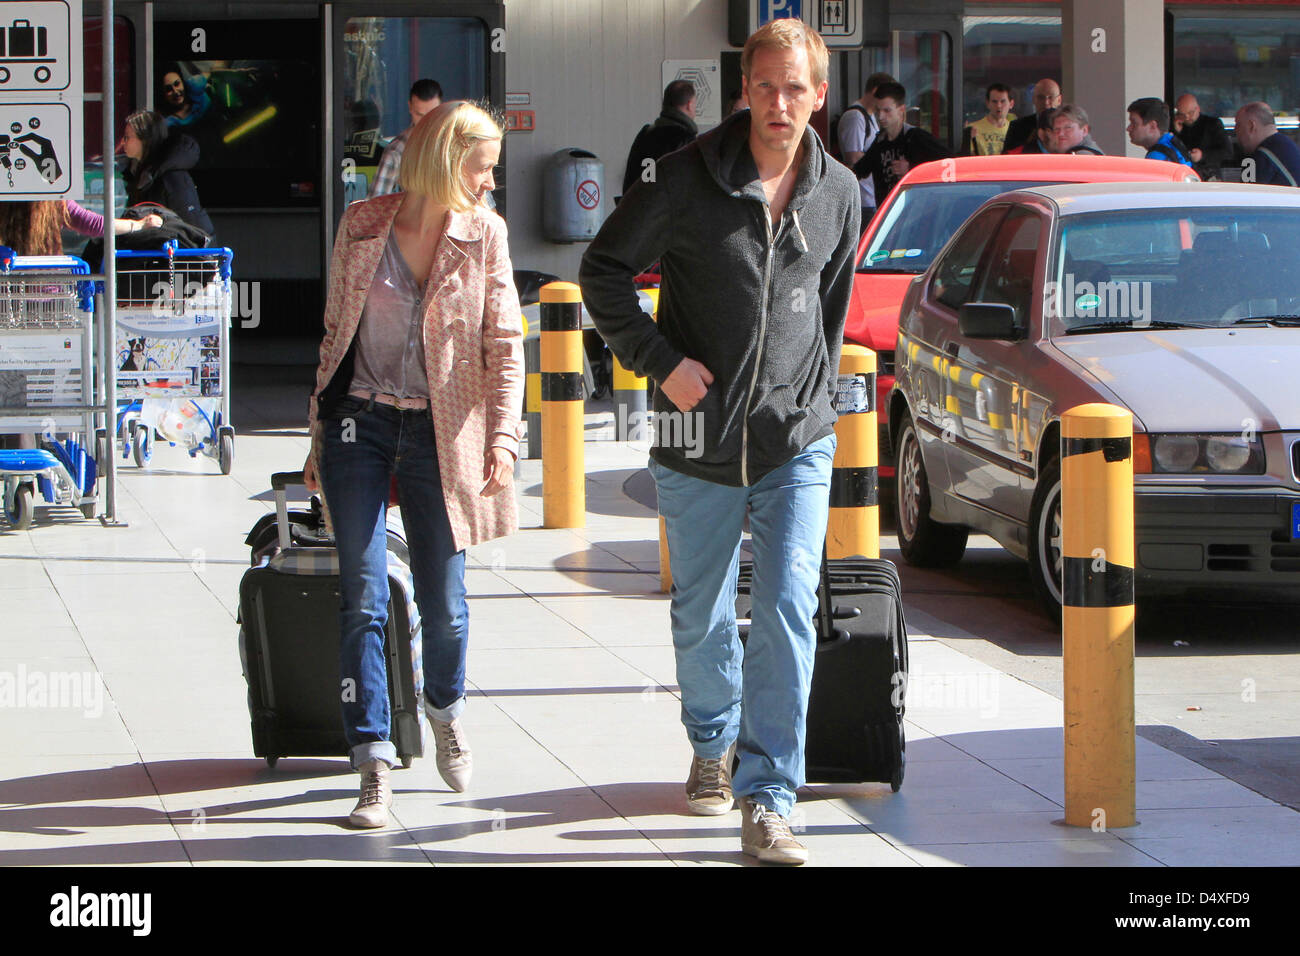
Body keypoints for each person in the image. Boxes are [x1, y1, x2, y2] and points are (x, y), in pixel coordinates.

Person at [580, 18, 859, 866]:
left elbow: (833, 303)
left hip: (795, 441)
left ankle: (770, 794)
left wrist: (813, 401)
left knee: (783, 607)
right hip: (693, 436)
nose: (780, 104)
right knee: (699, 614)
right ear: (745, 90)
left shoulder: (839, 189)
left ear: (819, 94)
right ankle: (711, 737)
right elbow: (603, 274)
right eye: (765, 86)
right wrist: (661, 365)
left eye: (796, 89)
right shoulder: (682, 179)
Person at [302, 101, 523, 830]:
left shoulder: (484, 235)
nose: (490, 185)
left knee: (445, 608)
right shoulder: (363, 224)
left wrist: (503, 438)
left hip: (442, 432)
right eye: (483, 170)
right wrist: (314, 438)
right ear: (446, 163)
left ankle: (445, 709)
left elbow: (504, 343)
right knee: (362, 597)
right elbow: (335, 334)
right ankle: (372, 761)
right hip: (358, 424)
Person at [852, 81, 953, 208]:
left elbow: (949, 163)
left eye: (887, 110)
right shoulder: (879, 143)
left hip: (918, 211)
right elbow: (859, 170)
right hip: (888, 213)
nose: (881, 116)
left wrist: (912, 169)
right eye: (878, 111)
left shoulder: (915, 137)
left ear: (901, 110)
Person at [119, 110, 216, 238]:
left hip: (186, 252)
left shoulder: (172, 177)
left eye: (127, 137)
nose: (122, 142)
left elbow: (191, 227)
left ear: (145, 140)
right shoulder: (140, 174)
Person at [367, 79, 444, 198]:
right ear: (410, 108)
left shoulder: (457, 143)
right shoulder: (397, 151)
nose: (426, 122)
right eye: (419, 115)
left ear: (442, 109)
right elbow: (374, 203)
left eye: (432, 114)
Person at [621, 80, 698, 195]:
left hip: (639, 207)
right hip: (668, 211)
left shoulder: (646, 133)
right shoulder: (685, 139)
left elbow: (631, 178)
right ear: (689, 104)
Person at [837, 72, 893, 227]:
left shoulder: (870, 117)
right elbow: (853, 157)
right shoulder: (855, 117)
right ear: (875, 92)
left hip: (871, 196)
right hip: (863, 199)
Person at [1233, 101, 1300, 187]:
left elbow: (1245, 196)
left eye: (1238, 125)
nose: (1235, 131)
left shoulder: (1259, 158)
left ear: (1251, 126)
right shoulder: (1288, 145)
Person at [1174, 94, 1232, 176]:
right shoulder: (1177, 126)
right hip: (1184, 174)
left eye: (1190, 113)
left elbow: (1227, 152)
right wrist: (1177, 133)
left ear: (1198, 109)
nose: (1187, 118)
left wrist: (1202, 155)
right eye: (1182, 115)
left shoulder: (1213, 124)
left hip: (1209, 175)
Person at [1127, 97, 1193, 167]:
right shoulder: (1174, 144)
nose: (1128, 128)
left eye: (1134, 123)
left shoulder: (1157, 158)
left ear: (1152, 126)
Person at [1001, 78, 1061, 153]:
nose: (1046, 102)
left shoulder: (1068, 128)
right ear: (1033, 99)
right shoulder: (1017, 126)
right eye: (1040, 97)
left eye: (1050, 97)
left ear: (1059, 100)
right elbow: (1007, 157)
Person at [963, 83, 1016, 156]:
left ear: (1011, 104)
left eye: (1003, 101)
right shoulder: (973, 129)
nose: (998, 106)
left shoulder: (1015, 130)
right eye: (994, 102)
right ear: (987, 103)